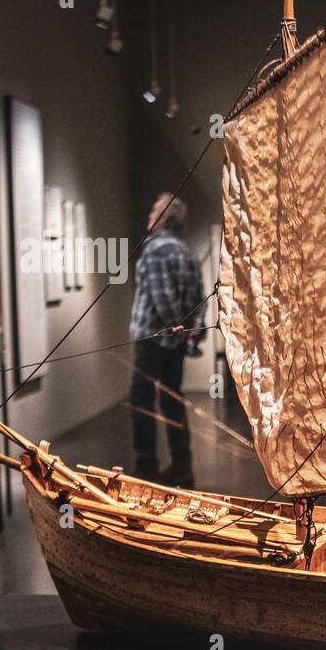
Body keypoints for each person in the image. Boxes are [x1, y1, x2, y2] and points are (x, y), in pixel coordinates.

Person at [129, 192, 202, 486]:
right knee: (172, 400)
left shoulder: (156, 249)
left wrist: (174, 328)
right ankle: (182, 465)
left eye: (153, 212)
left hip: (153, 338)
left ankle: (147, 467)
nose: (148, 217)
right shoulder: (186, 250)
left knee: (141, 400)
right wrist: (189, 331)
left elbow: (163, 298)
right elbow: (198, 298)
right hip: (175, 341)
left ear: (163, 218)